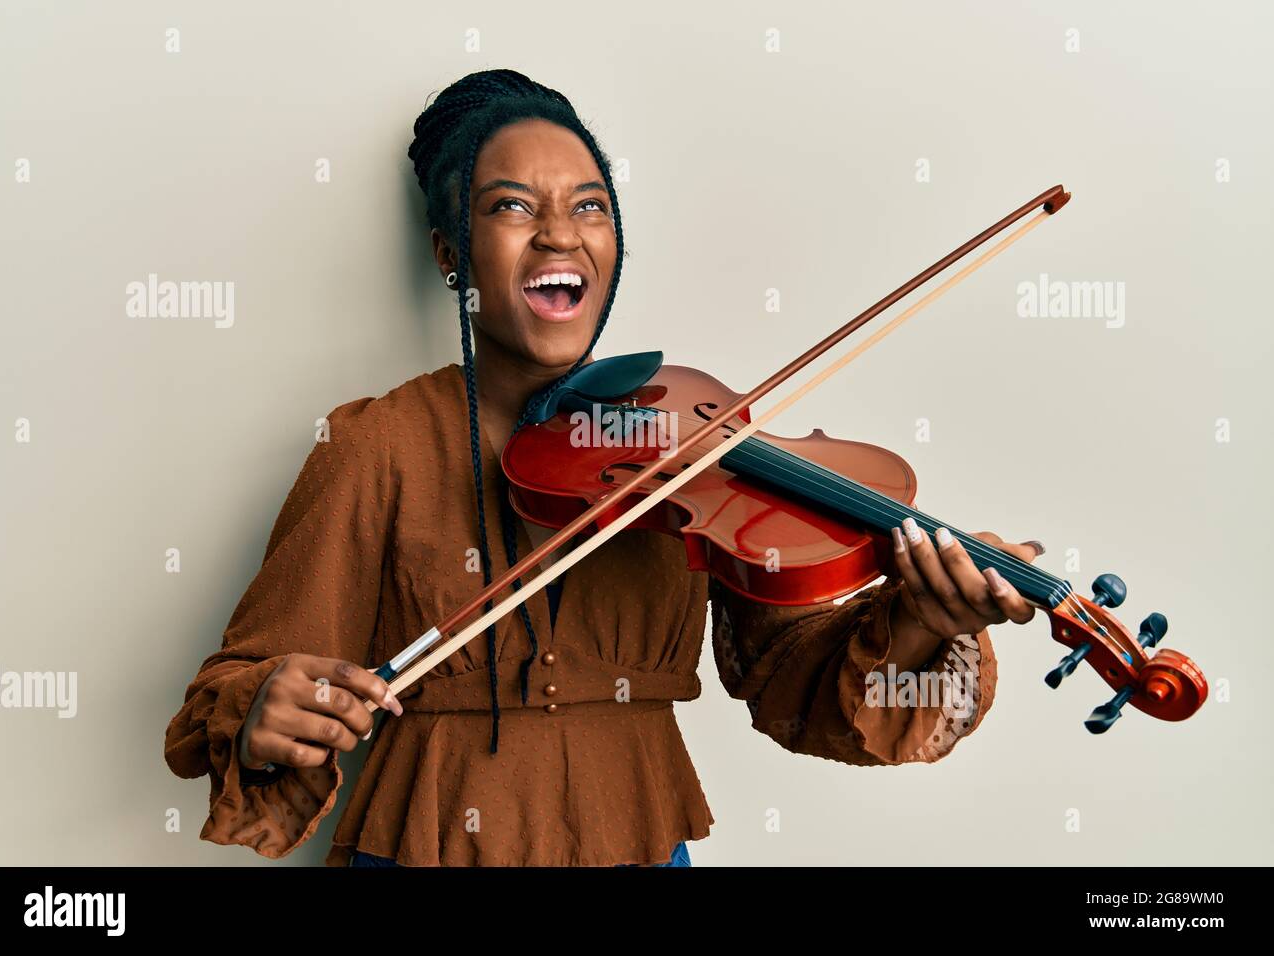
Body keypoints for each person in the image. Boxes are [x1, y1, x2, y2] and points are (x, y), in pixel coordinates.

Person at [163, 69, 1042, 867]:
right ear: (448, 253)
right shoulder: (376, 446)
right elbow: (240, 680)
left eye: (589, 207)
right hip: (430, 845)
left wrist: (923, 622)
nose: (560, 235)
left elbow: (792, 684)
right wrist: (261, 712)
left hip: (638, 843)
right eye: (511, 207)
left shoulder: (692, 444)